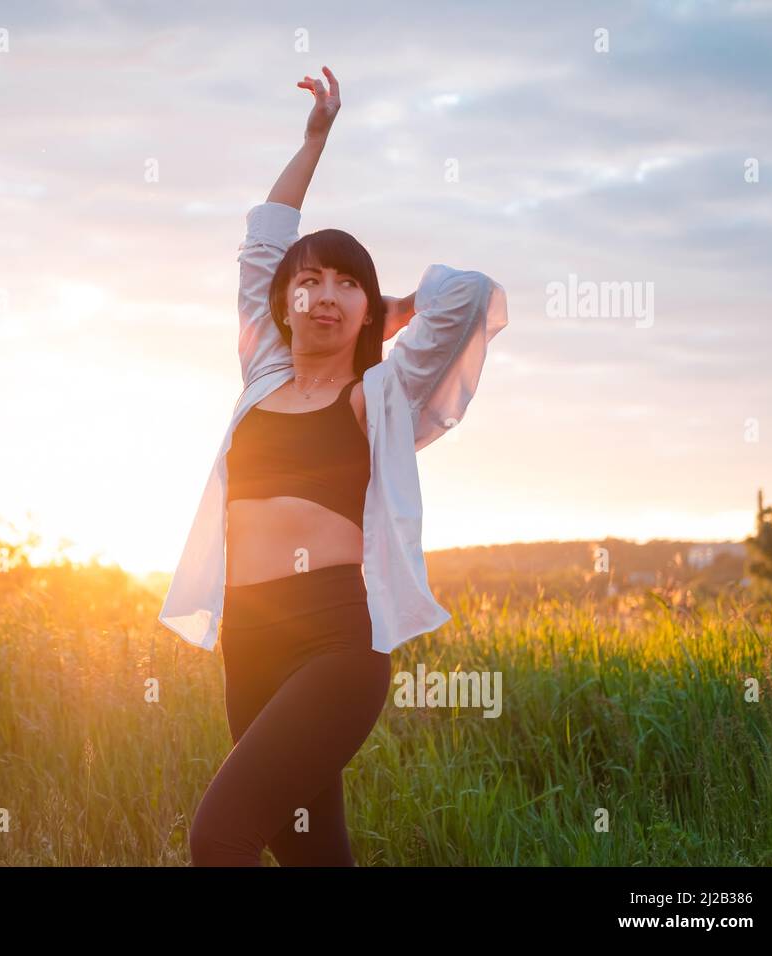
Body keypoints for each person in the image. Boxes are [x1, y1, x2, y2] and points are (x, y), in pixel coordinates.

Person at [170, 66, 510, 866]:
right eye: (311, 281)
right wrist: (313, 140)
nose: (325, 295)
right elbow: (265, 235)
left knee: (219, 838)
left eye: (346, 284)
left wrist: (385, 316)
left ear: (369, 305)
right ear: (282, 301)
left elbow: (467, 293)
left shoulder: (379, 393)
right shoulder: (261, 372)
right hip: (249, 637)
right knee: (313, 853)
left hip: (335, 640)